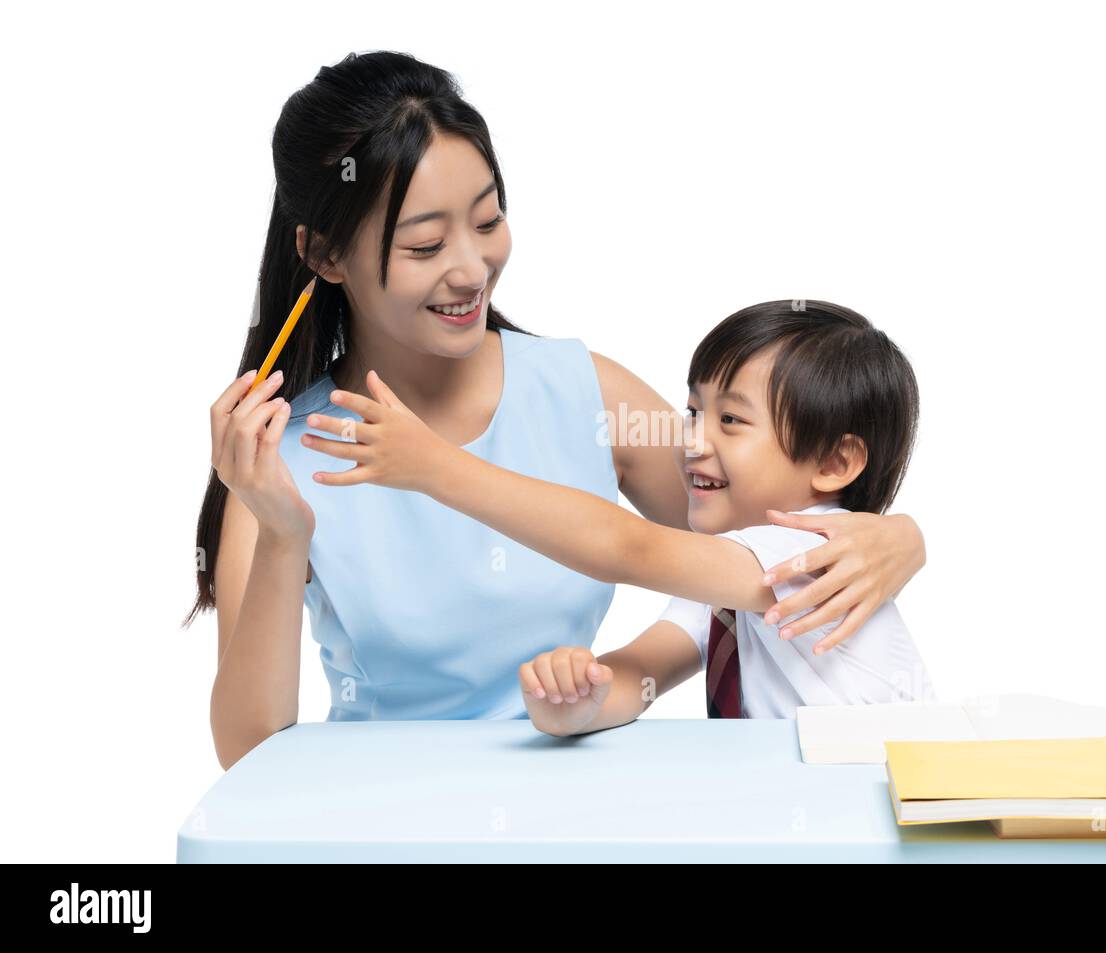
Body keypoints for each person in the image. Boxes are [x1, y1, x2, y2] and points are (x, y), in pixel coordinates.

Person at [190, 51, 927, 769]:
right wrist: (285, 536)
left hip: (574, 813)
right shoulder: (275, 461)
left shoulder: (585, 393)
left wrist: (899, 536)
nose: (472, 268)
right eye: (424, 244)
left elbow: (771, 515)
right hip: (385, 814)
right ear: (324, 255)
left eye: (486, 222)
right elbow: (252, 753)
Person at [299, 300, 937, 734]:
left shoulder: (801, 554)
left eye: (732, 421)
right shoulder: (729, 579)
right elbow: (644, 674)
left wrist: (437, 467)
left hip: (885, 815)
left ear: (834, 462)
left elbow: (626, 546)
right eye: (694, 412)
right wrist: (579, 698)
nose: (691, 441)